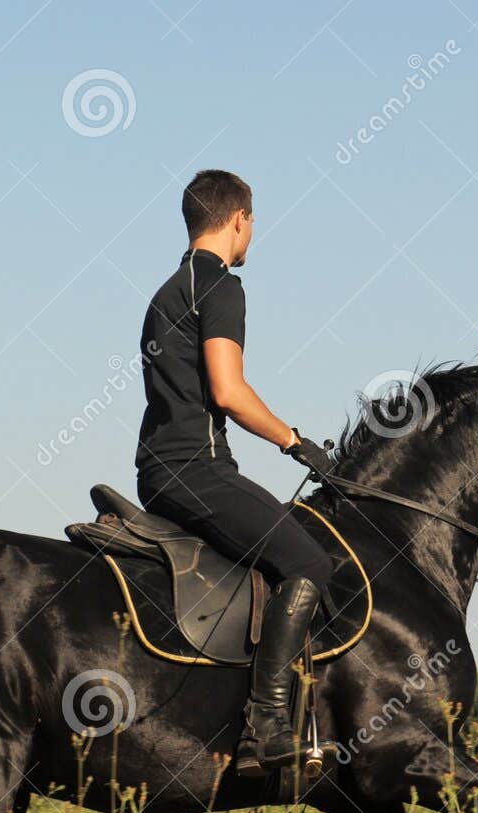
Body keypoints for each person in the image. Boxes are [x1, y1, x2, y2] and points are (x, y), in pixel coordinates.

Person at [135, 169, 334, 777]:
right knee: (308, 562)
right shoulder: (221, 288)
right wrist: (295, 441)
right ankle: (268, 727)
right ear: (239, 219)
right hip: (197, 469)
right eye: (255, 222)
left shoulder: (166, 292)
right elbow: (228, 391)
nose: (255, 233)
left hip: (157, 469)